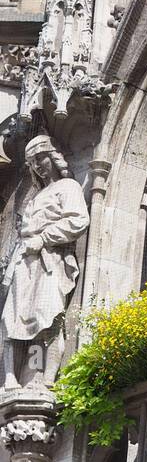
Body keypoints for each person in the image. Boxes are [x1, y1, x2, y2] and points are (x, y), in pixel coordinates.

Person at [1, 135, 88, 392]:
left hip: (48, 261)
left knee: (48, 318)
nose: (38, 165)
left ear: (54, 155)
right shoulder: (36, 197)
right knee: (11, 320)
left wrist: (43, 238)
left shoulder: (68, 187)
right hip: (24, 263)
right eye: (32, 162)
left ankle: (46, 379)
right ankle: (10, 380)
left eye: (41, 158)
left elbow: (78, 221)